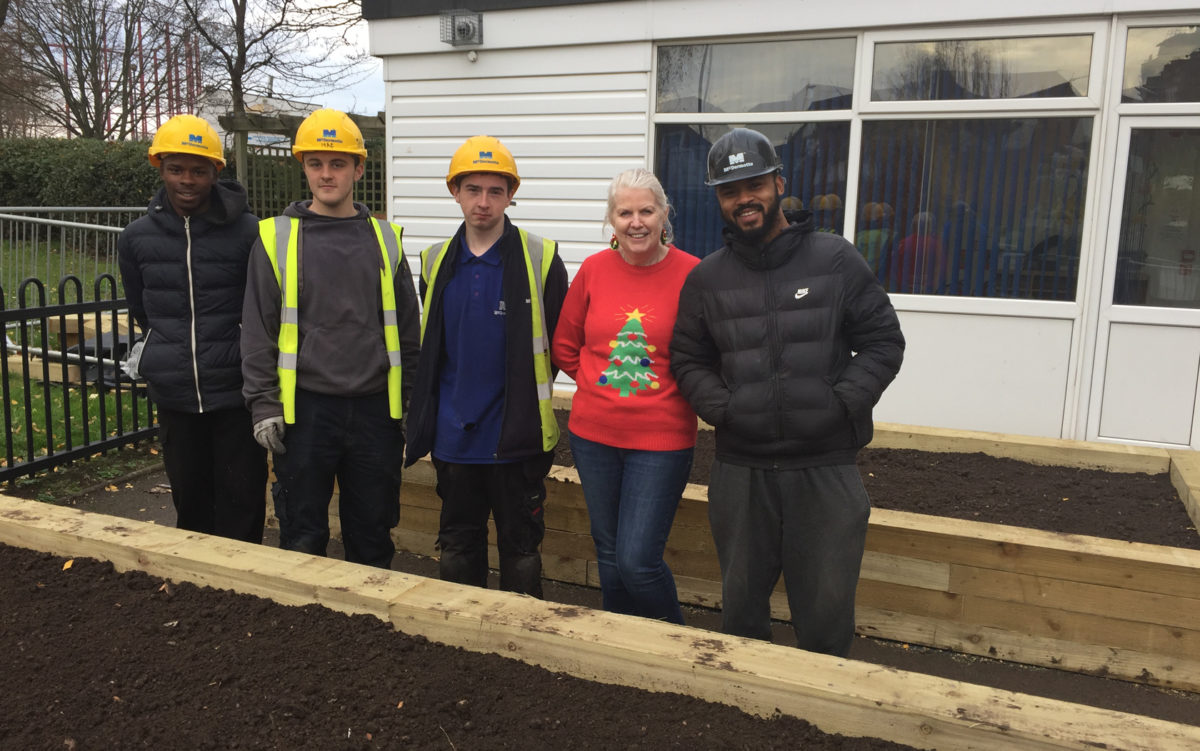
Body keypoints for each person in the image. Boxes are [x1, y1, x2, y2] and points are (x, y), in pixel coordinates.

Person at [670, 128, 905, 656]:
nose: (744, 199)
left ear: (779, 182)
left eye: (754, 184)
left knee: (825, 617)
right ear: (719, 199)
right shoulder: (707, 280)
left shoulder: (835, 260)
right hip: (742, 472)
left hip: (825, 470)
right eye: (730, 191)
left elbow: (883, 342)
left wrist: (840, 402)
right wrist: (725, 410)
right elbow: (687, 358)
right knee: (742, 615)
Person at [241, 108, 420, 569]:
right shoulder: (275, 238)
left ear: (359, 168)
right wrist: (264, 405)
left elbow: (408, 333)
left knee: (373, 536)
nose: (326, 174)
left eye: (338, 163)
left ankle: (371, 634)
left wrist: (413, 406)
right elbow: (258, 331)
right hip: (305, 415)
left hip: (376, 414)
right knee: (303, 536)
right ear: (302, 166)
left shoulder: (386, 240)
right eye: (316, 163)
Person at [404, 135, 568, 597]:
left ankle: (524, 650)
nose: (483, 202)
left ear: (511, 194)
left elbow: (556, 347)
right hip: (454, 440)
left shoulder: (542, 258)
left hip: (516, 442)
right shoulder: (434, 262)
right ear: (454, 191)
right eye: (473, 189)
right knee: (459, 546)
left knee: (521, 550)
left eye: (495, 191)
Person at [551, 168, 700, 624]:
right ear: (611, 221)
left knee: (638, 561)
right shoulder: (595, 270)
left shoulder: (693, 274)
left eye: (646, 211)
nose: (636, 222)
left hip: (662, 441)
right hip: (593, 437)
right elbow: (564, 344)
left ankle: (678, 648)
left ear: (664, 214)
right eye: (625, 212)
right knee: (611, 556)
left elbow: (705, 357)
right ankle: (624, 648)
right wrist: (599, 385)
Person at [117, 114, 267, 544]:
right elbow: (142, 309)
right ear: (160, 168)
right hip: (176, 394)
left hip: (236, 389)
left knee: (243, 499)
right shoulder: (136, 239)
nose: (187, 180)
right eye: (176, 169)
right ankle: (196, 588)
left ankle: (244, 586)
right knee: (191, 499)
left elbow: (261, 307)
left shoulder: (249, 233)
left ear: (216, 172)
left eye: (198, 170)